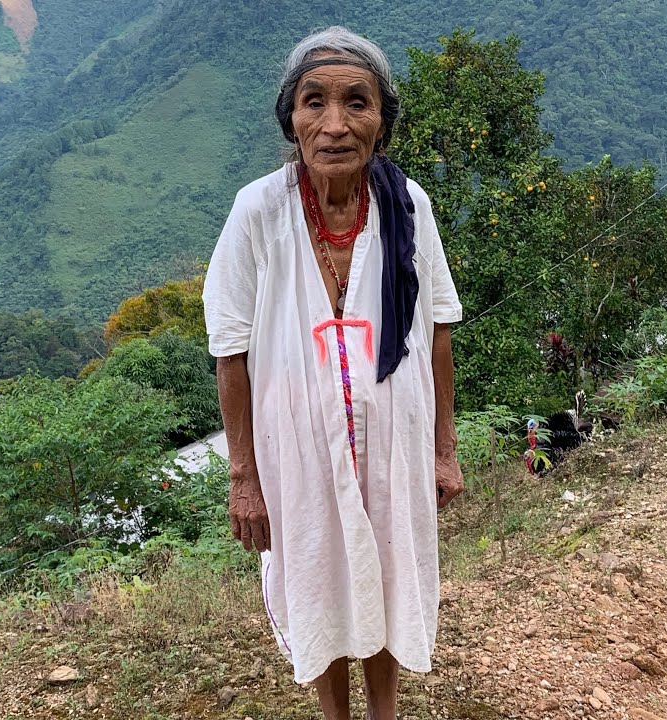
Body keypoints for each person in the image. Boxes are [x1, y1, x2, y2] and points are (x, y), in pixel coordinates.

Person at [202, 25, 464, 720]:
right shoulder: (258, 211)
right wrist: (245, 477)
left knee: (381, 575)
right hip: (299, 450)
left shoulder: (408, 207)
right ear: (290, 116)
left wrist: (444, 450)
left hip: (393, 444)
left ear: (383, 120)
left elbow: (436, 329)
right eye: (314, 101)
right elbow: (230, 351)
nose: (335, 124)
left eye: (358, 102)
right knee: (320, 576)